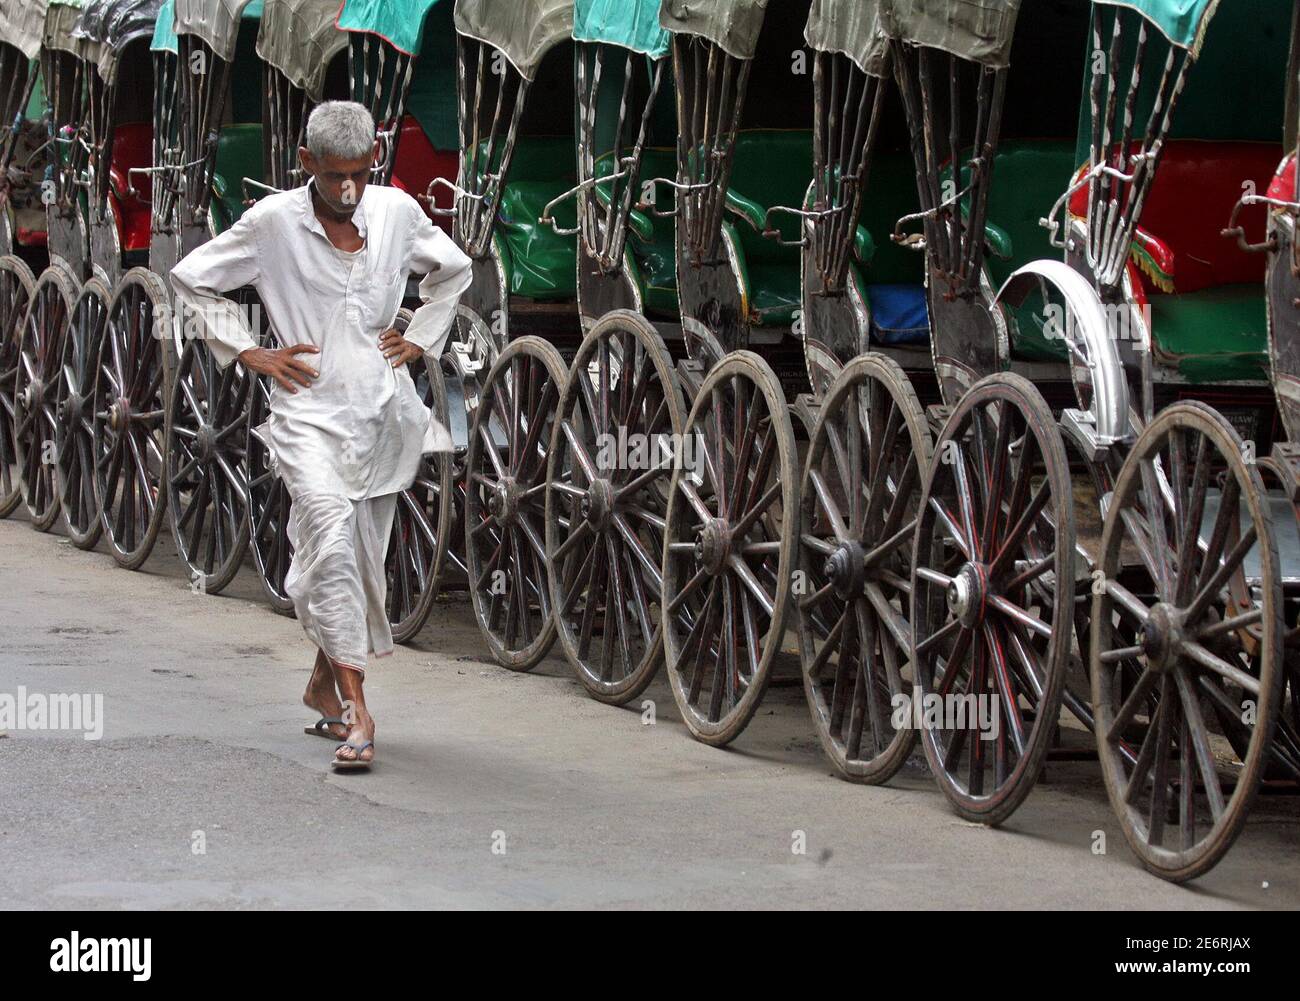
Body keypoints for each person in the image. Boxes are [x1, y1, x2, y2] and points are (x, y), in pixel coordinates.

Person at [170, 101, 472, 770]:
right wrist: (251, 351)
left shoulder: (396, 213)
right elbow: (191, 279)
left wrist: (419, 336)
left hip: (383, 417)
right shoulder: (274, 222)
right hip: (306, 418)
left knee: (363, 560)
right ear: (305, 164)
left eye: (360, 175)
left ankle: (322, 683)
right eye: (334, 176)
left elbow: (454, 269)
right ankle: (360, 713)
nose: (347, 190)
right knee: (330, 540)